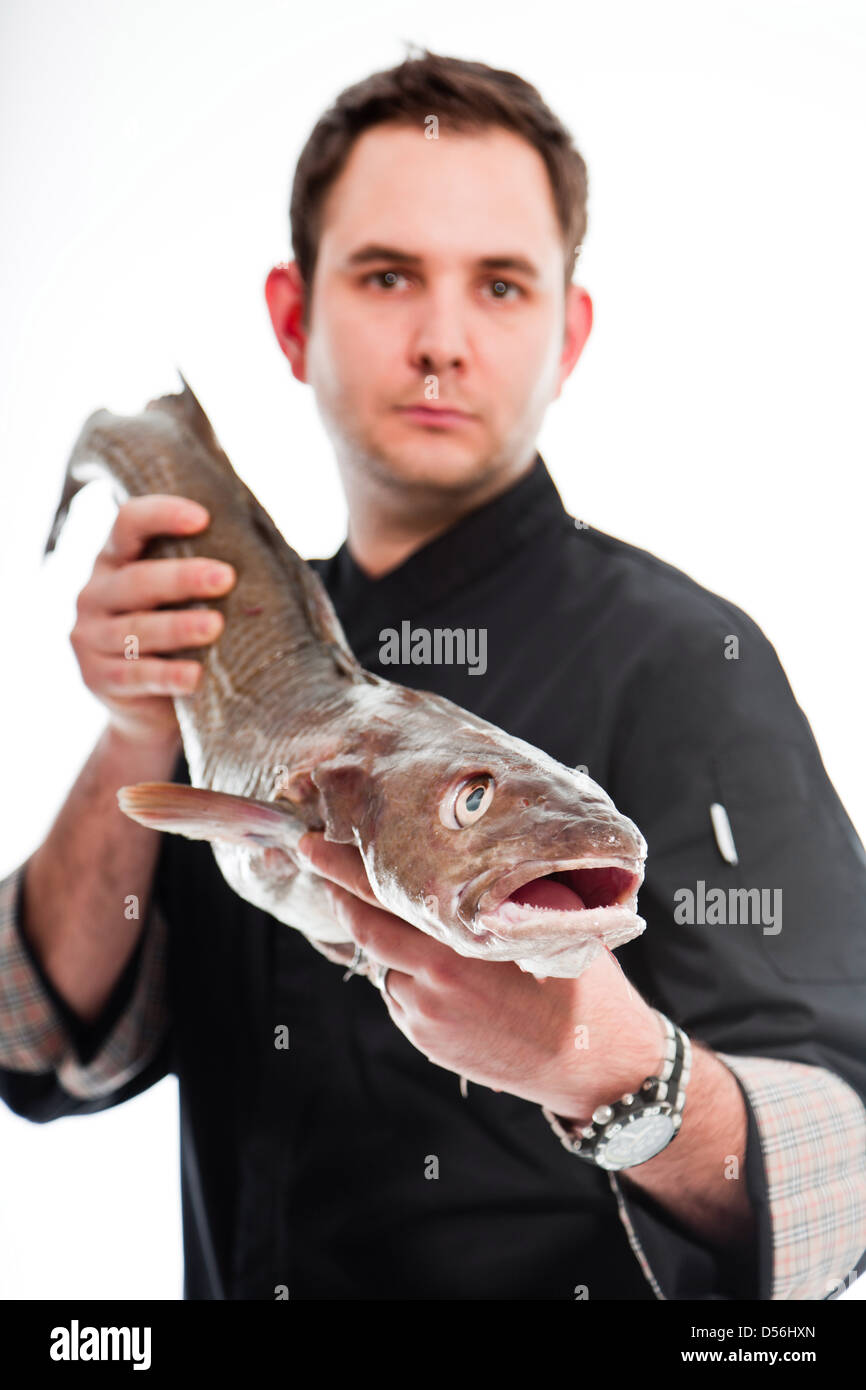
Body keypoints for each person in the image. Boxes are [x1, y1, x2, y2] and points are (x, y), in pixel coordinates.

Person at [1, 47, 864, 1302]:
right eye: (388, 274)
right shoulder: (206, 635)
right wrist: (140, 730)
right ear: (293, 318)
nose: (440, 342)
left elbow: (850, 1170)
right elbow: (37, 1045)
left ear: (567, 334)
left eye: (500, 284)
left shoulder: (690, 661)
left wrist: (604, 1065)